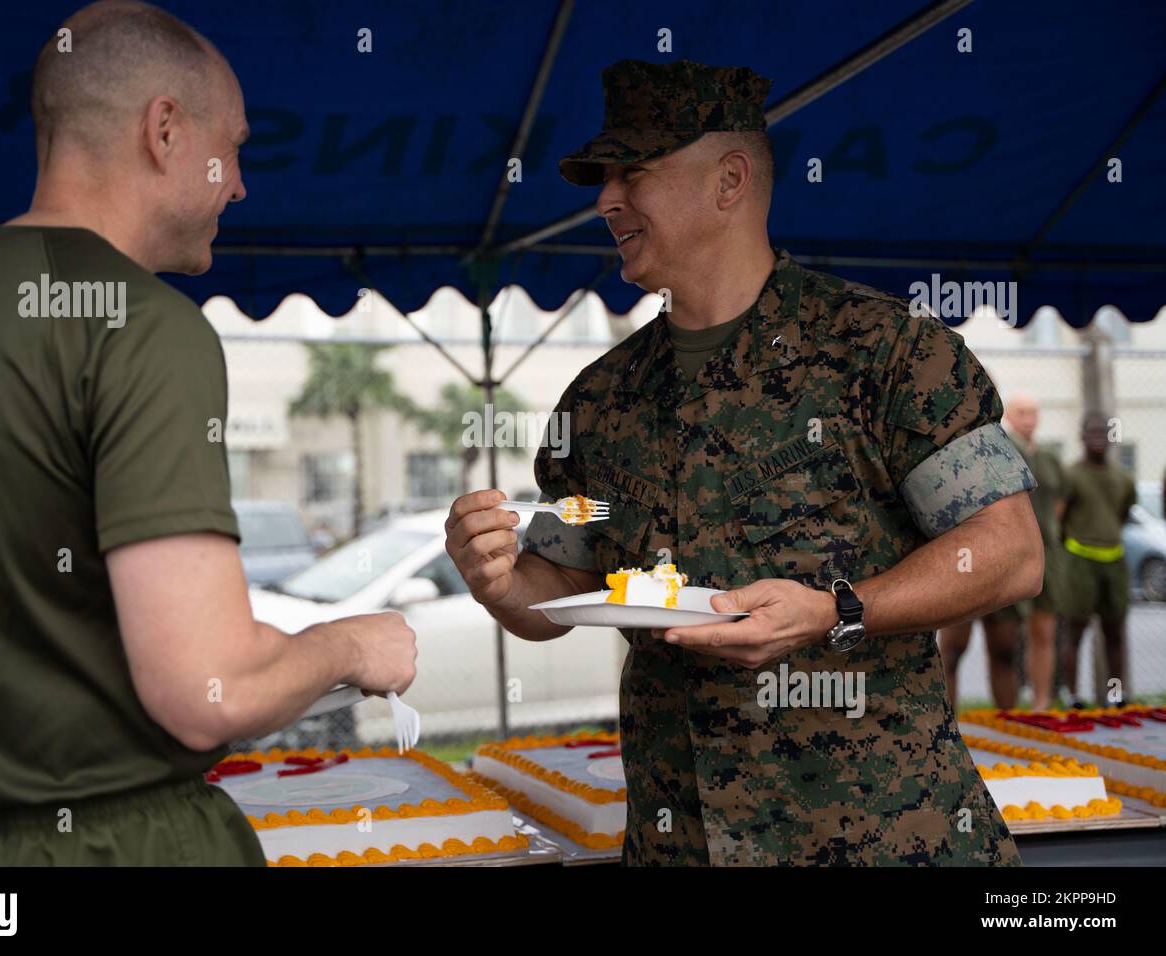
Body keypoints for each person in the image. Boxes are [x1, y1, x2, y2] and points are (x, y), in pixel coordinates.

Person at [445, 59, 1043, 866]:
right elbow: (559, 590)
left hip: (883, 842)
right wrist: (498, 581)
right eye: (604, 178)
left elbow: (1010, 553)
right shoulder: (599, 400)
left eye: (634, 173)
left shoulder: (889, 352)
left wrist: (838, 610)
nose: (606, 200)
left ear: (730, 181)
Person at [0, 0, 415, 866]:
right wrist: (351, 644)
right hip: (110, 845)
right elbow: (209, 689)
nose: (239, 184)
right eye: (232, 147)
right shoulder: (138, 323)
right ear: (165, 131)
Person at [938, 393, 1066, 710]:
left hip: (1004, 560)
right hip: (964, 559)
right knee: (952, 650)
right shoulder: (944, 447)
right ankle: (944, 728)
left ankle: (1011, 723)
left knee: (1005, 649)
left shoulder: (1004, 448)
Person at [1059, 411, 1136, 707]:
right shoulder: (1072, 475)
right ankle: (1072, 696)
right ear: (1081, 436)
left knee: (1114, 631)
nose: (1098, 439)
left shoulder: (1123, 479)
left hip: (1113, 561)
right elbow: (1060, 518)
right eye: (1092, 433)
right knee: (1075, 630)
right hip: (1080, 562)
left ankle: (1116, 694)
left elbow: (1123, 515)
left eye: (1104, 433)